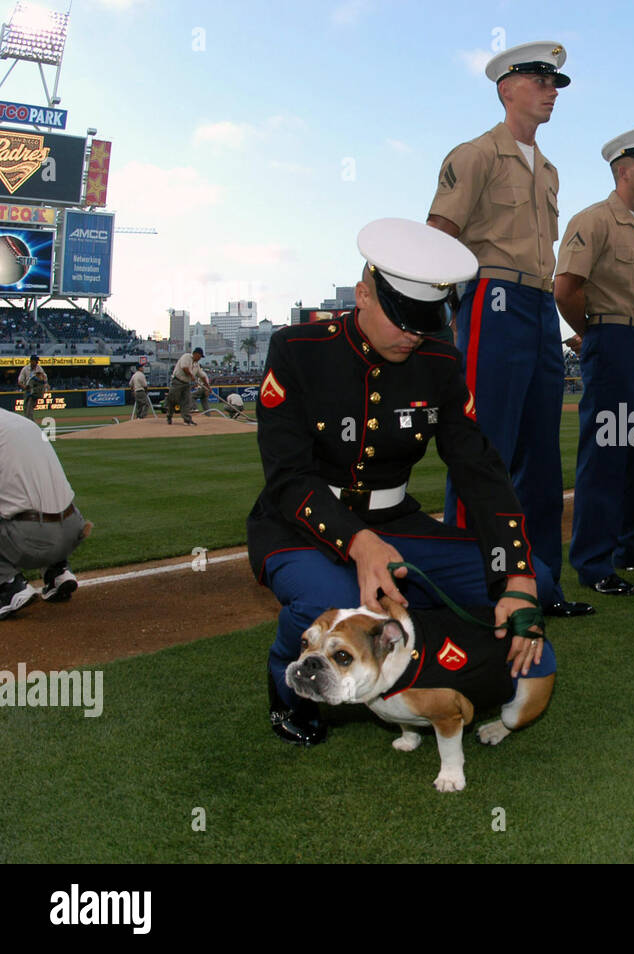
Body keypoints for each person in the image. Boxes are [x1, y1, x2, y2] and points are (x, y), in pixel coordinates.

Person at [247, 218, 555, 746]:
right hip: (301, 526)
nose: (413, 334)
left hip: (396, 522)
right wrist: (359, 542)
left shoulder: (437, 359)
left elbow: (478, 468)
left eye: (424, 322)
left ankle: (431, 667)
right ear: (363, 294)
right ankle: (287, 675)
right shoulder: (298, 349)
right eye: (401, 319)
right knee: (342, 599)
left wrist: (519, 576)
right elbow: (289, 479)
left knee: (536, 580)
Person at [426, 40, 589, 618]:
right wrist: (447, 318)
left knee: (542, 456)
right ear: (506, 88)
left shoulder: (548, 170)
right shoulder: (474, 155)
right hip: (491, 297)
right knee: (483, 449)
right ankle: (470, 586)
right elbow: (439, 237)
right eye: (540, 80)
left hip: (540, 304)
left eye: (555, 83)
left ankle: (541, 583)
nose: (551, 90)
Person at [555, 127, 634, 597]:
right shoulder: (594, 220)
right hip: (610, 337)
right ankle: (593, 560)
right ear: (623, 170)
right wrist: (593, 335)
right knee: (607, 454)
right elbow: (565, 289)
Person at [0, 408, 90, 620]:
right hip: (73, 527)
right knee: (32, 499)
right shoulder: (20, 422)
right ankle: (57, 572)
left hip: (32, 539)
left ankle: (8, 586)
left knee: (17, 506)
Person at [168, 347, 203, 426]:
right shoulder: (186, 357)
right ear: (196, 354)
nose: (200, 358)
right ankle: (169, 416)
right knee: (173, 400)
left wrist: (207, 385)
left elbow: (202, 375)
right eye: (200, 356)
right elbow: (184, 368)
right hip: (177, 381)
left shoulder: (196, 365)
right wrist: (191, 376)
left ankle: (187, 420)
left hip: (186, 383)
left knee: (186, 401)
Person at [16, 354, 47, 421]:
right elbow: (20, 381)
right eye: (36, 361)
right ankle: (30, 423)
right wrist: (25, 387)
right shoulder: (25, 369)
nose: (37, 362)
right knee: (27, 409)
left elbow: (44, 379)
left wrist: (41, 386)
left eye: (37, 361)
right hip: (28, 390)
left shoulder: (39, 368)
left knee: (29, 409)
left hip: (36, 391)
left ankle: (31, 424)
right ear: (31, 361)